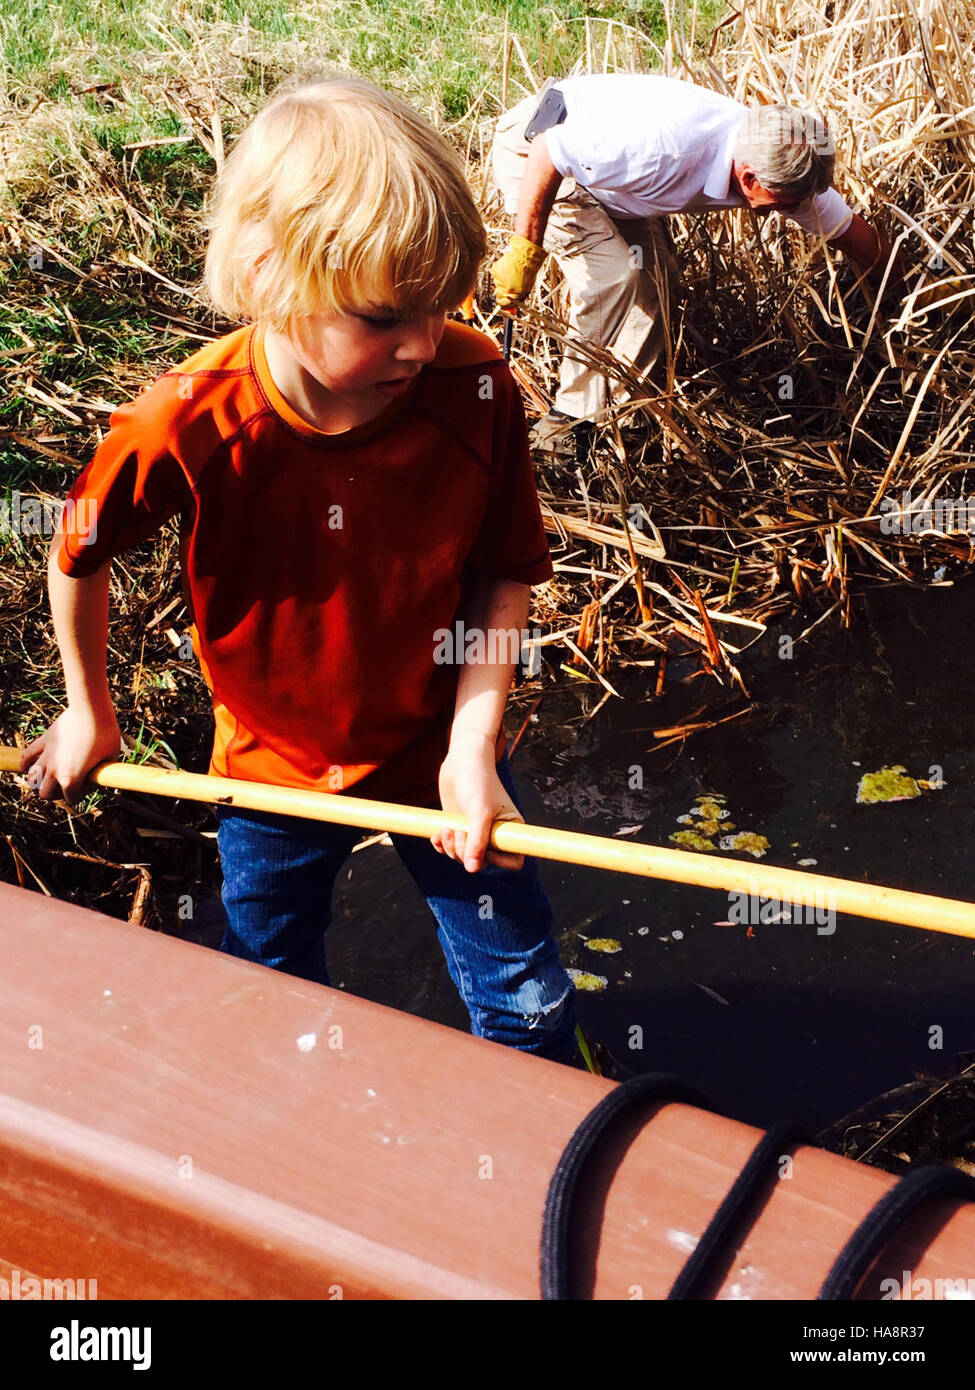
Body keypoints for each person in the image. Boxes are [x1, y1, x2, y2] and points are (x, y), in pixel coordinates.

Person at [20, 77, 579, 1067]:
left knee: (526, 992)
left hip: (435, 753)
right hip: (273, 764)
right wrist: (86, 708)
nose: (419, 341)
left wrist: (474, 744)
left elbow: (503, 578)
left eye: (439, 304)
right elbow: (78, 552)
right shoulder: (188, 418)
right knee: (269, 979)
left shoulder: (474, 384)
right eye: (381, 317)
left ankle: (539, 1162)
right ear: (276, 274)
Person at [490, 74, 898, 452]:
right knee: (618, 276)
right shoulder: (666, 148)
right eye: (783, 205)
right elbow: (549, 149)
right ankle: (566, 427)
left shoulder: (787, 166)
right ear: (752, 180)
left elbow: (855, 237)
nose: (787, 213)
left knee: (658, 278)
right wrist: (524, 251)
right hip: (534, 152)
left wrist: (906, 291)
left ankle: (628, 418)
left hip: (605, 178)